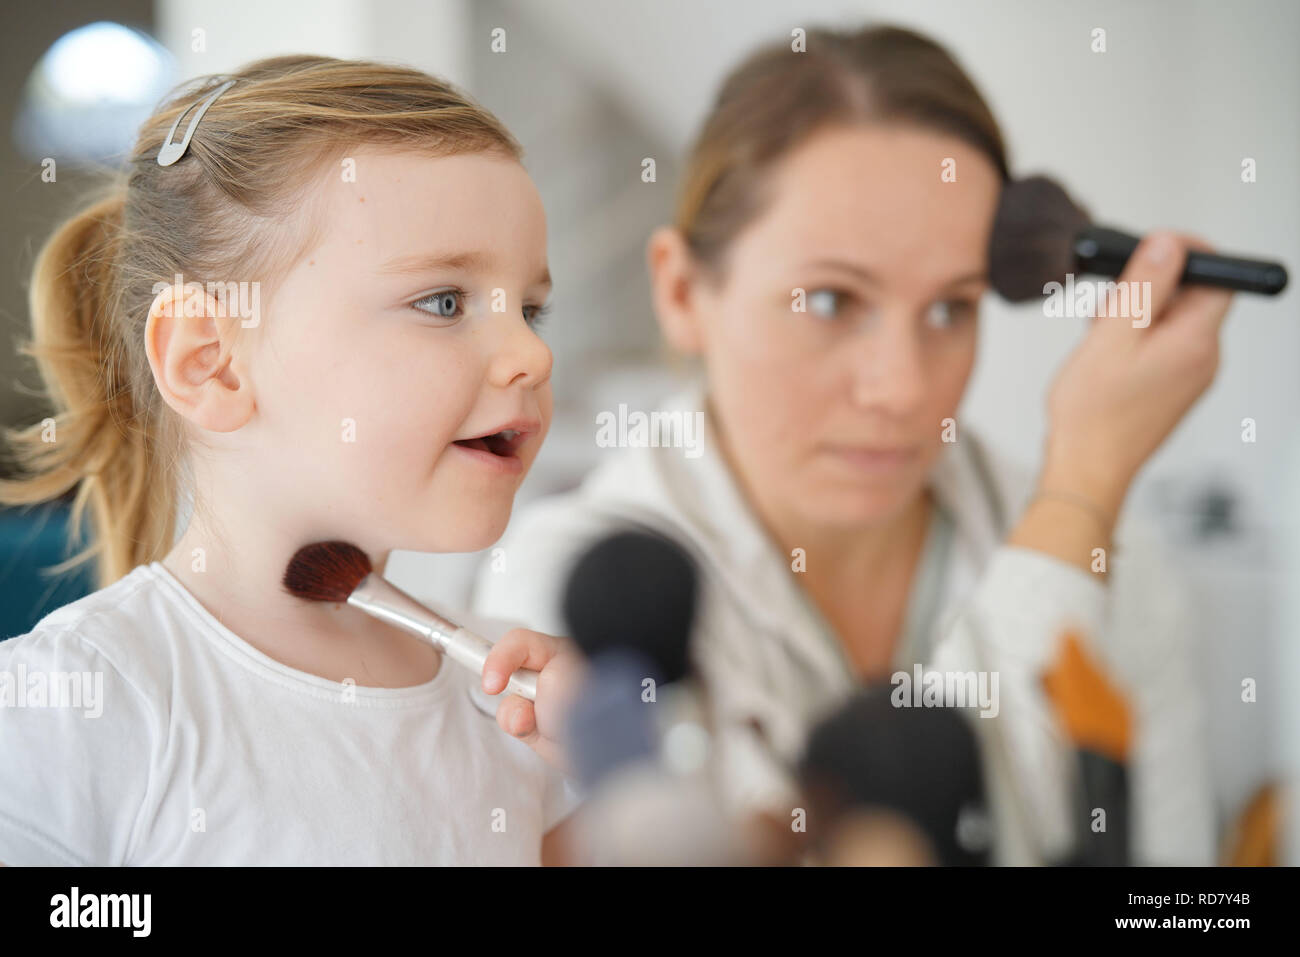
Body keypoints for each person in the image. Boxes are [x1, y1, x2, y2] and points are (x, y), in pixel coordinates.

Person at [472, 25, 1231, 865]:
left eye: (951, 308)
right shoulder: (568, 593)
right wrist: (1082, 488)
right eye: (832, 301)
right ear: (683, 292)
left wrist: (1083, 510)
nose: (903, 388)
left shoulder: (1124, 570)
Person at [0, 55, 581, 865]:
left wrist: (625, 785)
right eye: (444, 302)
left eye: (530, 309)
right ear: (213, 362)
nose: (528, 353)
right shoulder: (67, 708)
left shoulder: (518, 704)